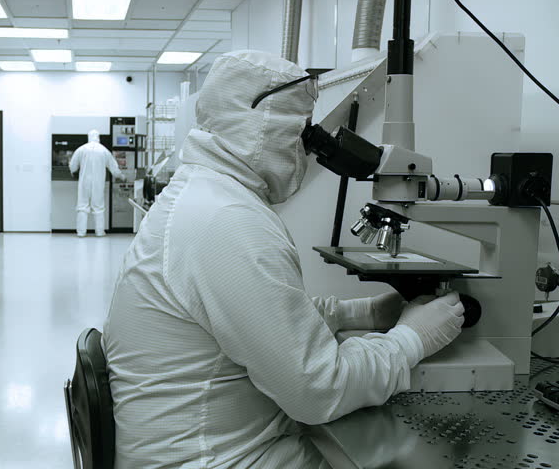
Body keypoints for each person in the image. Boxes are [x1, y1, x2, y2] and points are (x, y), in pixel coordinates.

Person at [102, 50, 465, 468]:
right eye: (301, 133)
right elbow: (318, 389)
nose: (307, 150)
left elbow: (261, 314)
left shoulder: (203, 195)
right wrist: (411, 340)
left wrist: (359, 312)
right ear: (266, 128)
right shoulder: (229, 222)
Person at [69, 129, 124, 237]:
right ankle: (99, 232)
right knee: (98, 207)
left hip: (84, 182)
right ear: (98, 137)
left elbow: (73, 166)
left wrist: (72, 171)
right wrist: (122, 176)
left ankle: (81, 232)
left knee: (82, 206)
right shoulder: (104, 150)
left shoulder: (81, 149)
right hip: (99, 182)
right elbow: (114, 168)